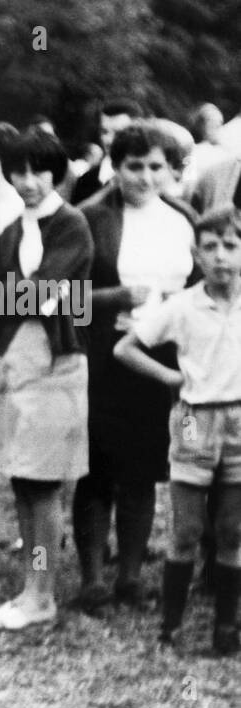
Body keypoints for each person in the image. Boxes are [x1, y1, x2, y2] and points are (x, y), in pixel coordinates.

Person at [0, 128, 95, 629]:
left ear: (56, 171)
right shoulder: (10, 232)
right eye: (18, 171)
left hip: (54, 363)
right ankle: (31, 588)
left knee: (42, 484)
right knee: (22, 481)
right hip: (14, 363)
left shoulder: (72, 225)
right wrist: (7, 302)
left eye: (38, 170)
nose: (28, 182)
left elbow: (46, 294)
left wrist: (11, 295)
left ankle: (42, 595)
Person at [73, 123, 197, 613]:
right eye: (133, 166)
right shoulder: (87, 218)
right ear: (114, 166)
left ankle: (129, 577)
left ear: (170, 170)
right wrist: (112, 299)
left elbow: (203, 286)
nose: (144, 177)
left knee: (144, 470)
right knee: (97, 470)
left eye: (154, 167)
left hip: (161, 359)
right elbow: (51, 297)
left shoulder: (184, 218)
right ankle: (92, 581)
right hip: (104, 356)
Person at [113, 205, 241, 655]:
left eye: (231, 246)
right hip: (192, 417)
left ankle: (227, 626)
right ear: (196, 256)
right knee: (185, 528)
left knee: (232, 530)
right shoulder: (183, 306)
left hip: (239, 419)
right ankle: (171, 628)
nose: (222, 256)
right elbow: (125, 347)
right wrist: (169, 379)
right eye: (211, 247)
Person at [71, 100, 143, 206]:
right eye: (104, 132)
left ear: (138, 132)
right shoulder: (85, 182)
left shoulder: (150, 180)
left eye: (118, 133)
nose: (109, 140)